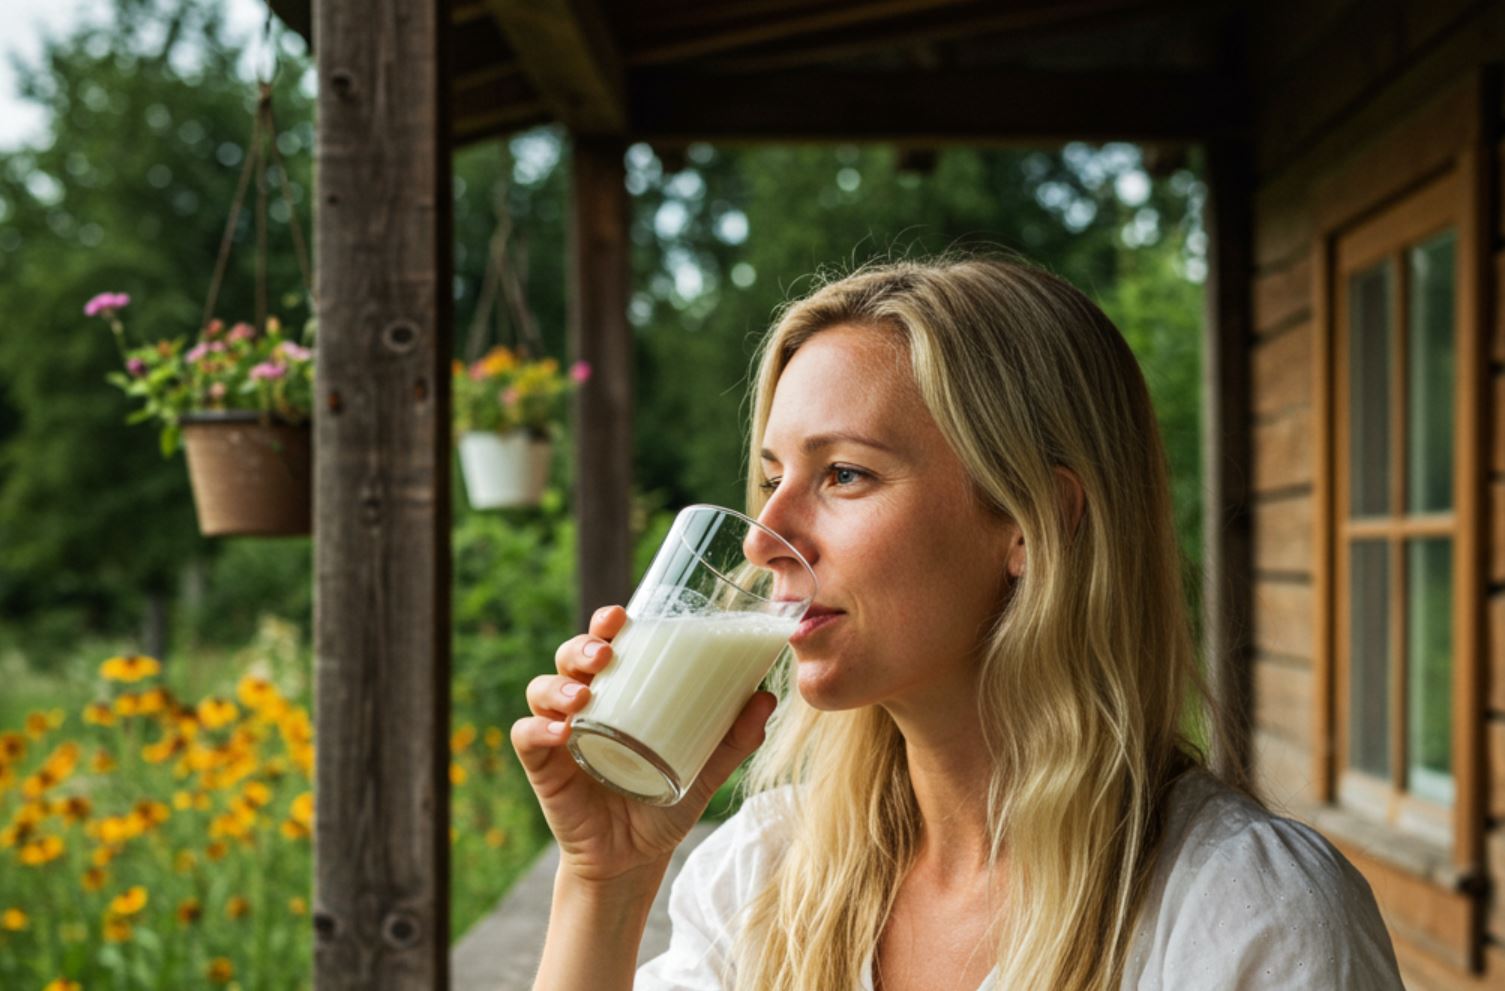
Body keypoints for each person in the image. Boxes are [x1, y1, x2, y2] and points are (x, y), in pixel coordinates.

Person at [511, 257, 1405, 990]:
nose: (765, 541)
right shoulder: (765, 874)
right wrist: (607, 881)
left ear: (1031, 522)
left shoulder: (1246, 915)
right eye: (771, 474)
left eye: (845, 474)